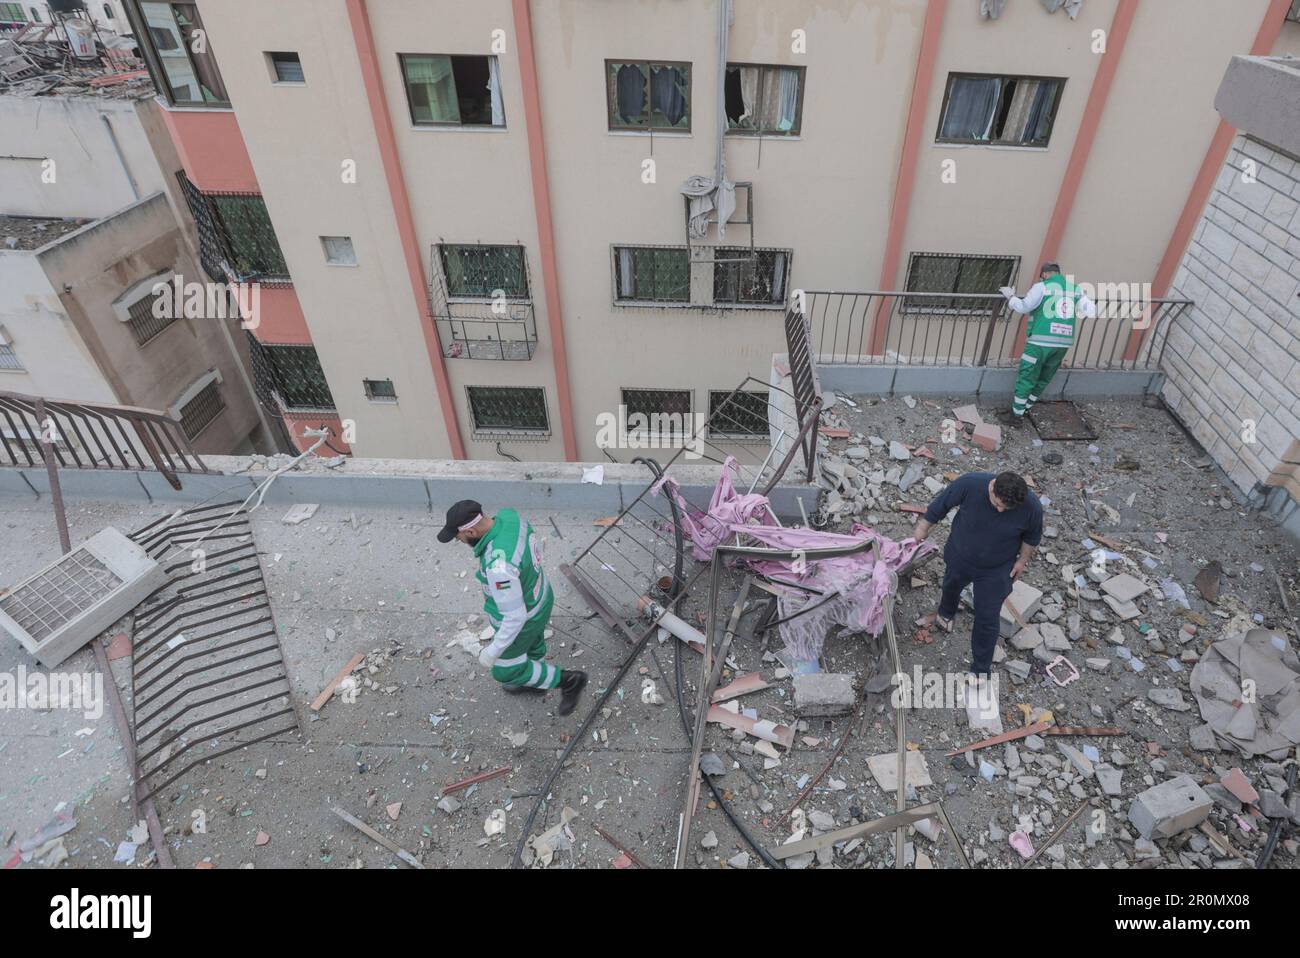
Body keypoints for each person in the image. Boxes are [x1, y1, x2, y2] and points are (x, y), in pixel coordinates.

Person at [437, 500, 588, 715]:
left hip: (525, 616)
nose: (458, 540)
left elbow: (515, 617)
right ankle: (537, 681)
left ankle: (569, 681)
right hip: (542, 596)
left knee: (505, 670)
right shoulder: (510, 517)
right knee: (534, 643)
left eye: (457, 537)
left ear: (470, 531)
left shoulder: (499, 567)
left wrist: (493, 651)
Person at [910, 472, 1042, 684]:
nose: (1000, 510)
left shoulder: (1031, 506)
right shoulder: (969, 484)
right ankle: (945, 616)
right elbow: (940, 506)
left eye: (1006, 509)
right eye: (998, 504)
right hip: (960, 553)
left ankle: (980, 671)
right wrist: (922, 529)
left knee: (988, 617)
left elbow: (1031, 537)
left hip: (997, 569)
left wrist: (1021, 561)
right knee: (951, 585)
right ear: (991, 488)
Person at [998, 262, 1096, 426]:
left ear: (1044, 274)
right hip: (1063, 344)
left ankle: (1016, 416)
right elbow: (1091, 311)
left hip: (1040, 342)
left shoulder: (1041, 287)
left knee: (1027, 377)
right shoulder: (1075, 289)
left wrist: (1011, 297)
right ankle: (1025, 409)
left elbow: (1024, 307)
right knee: (1044, 378)